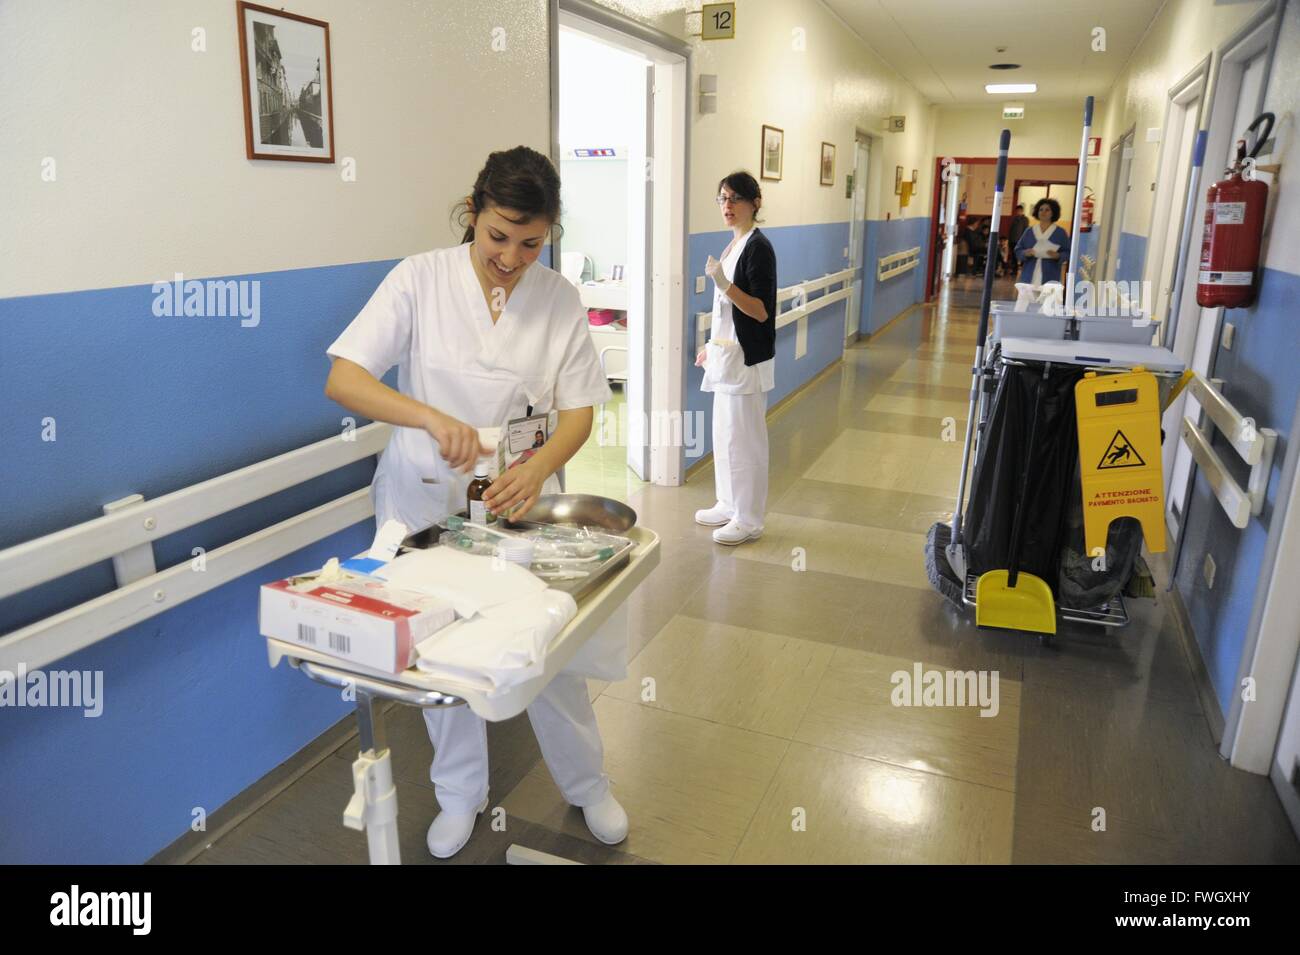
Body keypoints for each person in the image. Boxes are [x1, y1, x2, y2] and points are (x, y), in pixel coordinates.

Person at [323, 145, 628, 858]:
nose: (510, 257)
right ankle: (461, 795)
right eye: (498, 236)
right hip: (426, 495)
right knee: (442, 656)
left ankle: (588, 786)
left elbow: (580, 409)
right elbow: (344, 379)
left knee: (548, 650)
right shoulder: (419, 280)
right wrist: (427, 416)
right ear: (473, 212)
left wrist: (542, 464)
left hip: (520, 502)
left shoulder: (555, 297)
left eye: (530, 242)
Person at [693, 172, 778, 546]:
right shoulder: (733, 245)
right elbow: (726, 314)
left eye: (735, 199)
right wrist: (710, 347)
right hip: (726, 358)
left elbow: (760, 311)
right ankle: (728, 503)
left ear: (755, 202)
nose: (727, 206)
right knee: (725, 437)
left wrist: (725, 285)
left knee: (746, 444)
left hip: (747, 362)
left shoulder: (759, 248)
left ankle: (749, 518)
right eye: (723, 199)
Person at [1014, 197, 1071, 287]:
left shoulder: (1060, 233)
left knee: (1047, 299)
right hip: (1028, 275)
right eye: (1041, 209)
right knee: (1028, 299)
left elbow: (1068, 252)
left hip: (1051, 275)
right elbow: (1018, 249)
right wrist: (1025, 253)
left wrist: (1058, 256)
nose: (1043, 212)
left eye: (1047, 210)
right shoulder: (1029, 231)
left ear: (1053, 213)